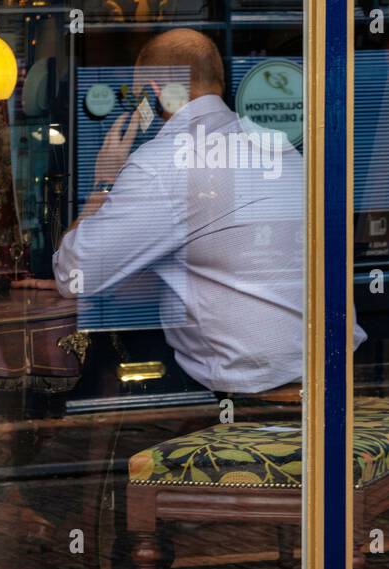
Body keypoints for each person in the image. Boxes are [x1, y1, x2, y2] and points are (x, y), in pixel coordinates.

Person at [55, 29, 365, 396]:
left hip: (247, 389)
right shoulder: (278, 147)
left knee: (117, 387)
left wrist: (104, 181)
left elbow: (75, 276)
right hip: (332, 370)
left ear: (155, 92)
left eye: (138, 95)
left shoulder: (165, 162)